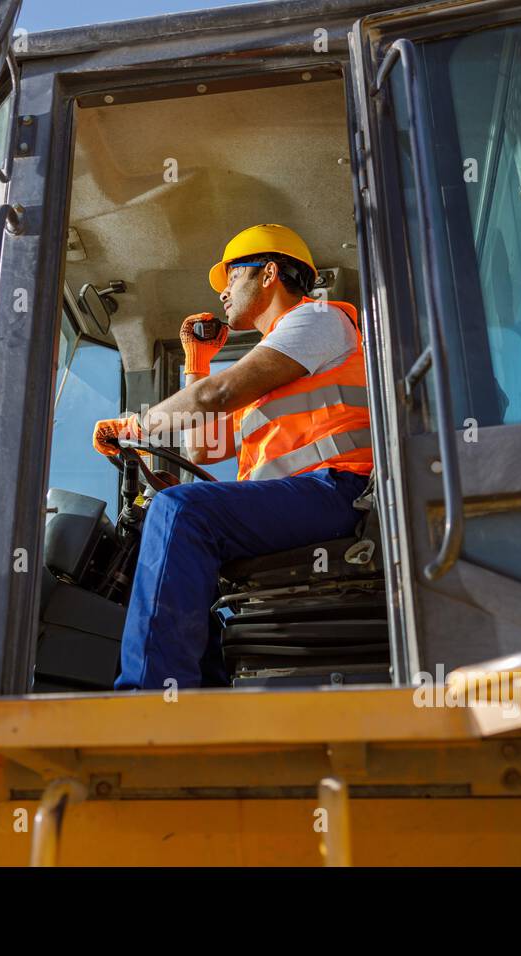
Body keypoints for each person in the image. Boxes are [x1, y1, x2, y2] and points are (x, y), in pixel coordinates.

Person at [92, 224, 373, 690]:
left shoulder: (317, 319)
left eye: (231, 278)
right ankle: (208, 696)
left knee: (181, 510)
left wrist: (134, 426)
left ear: (268, 274)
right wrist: (197, 359)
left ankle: (148, 699)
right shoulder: (275, 363)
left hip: (340, 492)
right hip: (305, 502)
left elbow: (217, 394)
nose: (222, 293)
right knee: (175, 523)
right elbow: (202, 447)